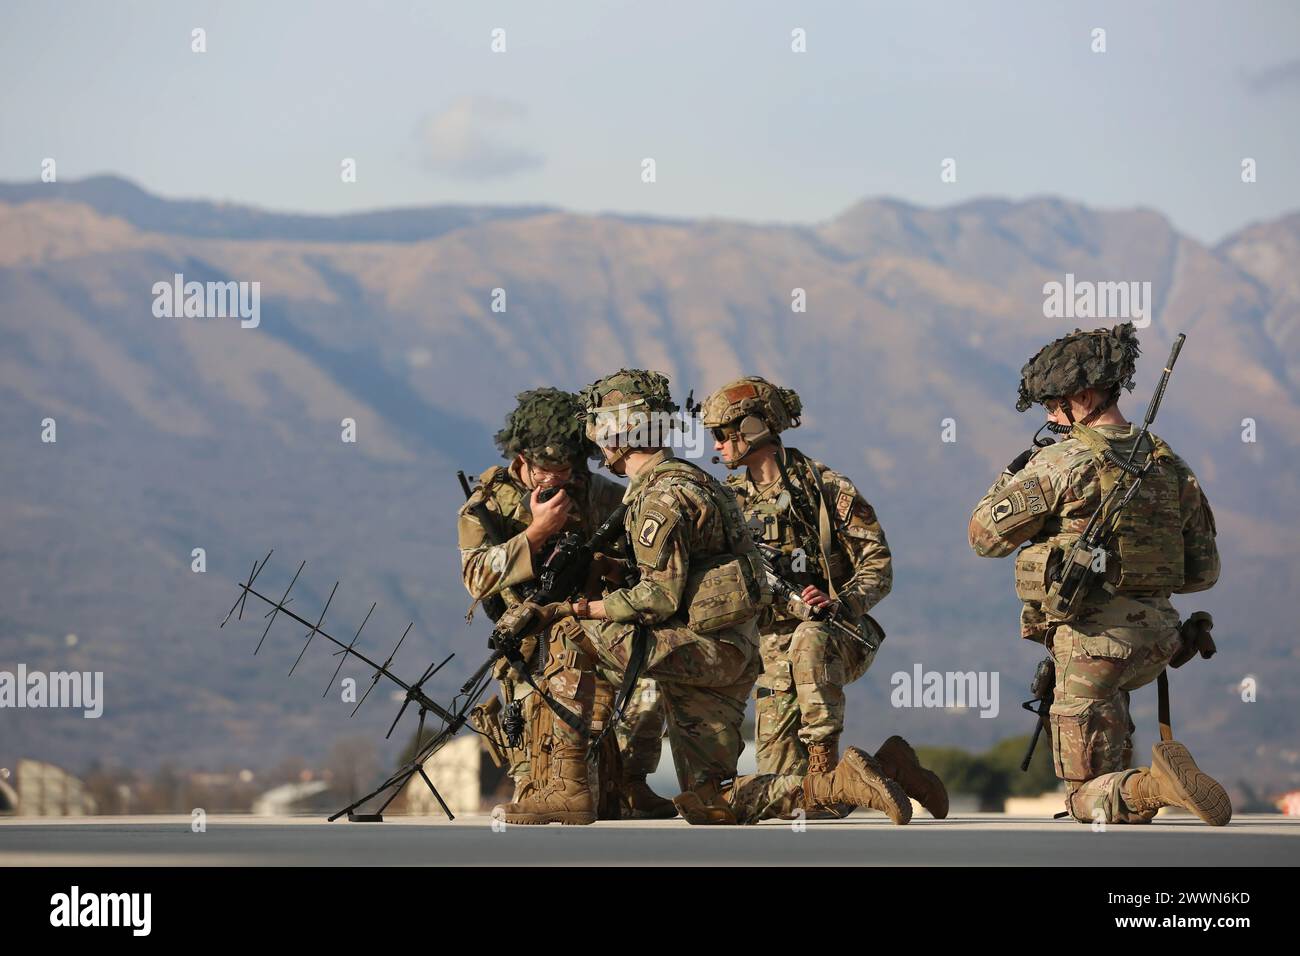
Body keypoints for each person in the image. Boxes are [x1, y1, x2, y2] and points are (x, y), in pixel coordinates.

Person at [493, 370, 912, 826]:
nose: (597, 444)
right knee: (709, 802)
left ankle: (567, 791)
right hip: (735, 650)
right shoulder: (697, 485)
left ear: (621, 431)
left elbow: (657, 598)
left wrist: (572, 607)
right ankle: (844, 781)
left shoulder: (664, 498)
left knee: (569, 634)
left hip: (714, 650)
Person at [968, 323, 1230, 826]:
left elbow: (983, 538)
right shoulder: (1168, 460)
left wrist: (1010, 473)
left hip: (1092, 648)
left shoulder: (1062, 461)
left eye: (1053, 404)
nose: (1049, 416)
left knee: (1084, 795)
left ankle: (1156, 782)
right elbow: (1203, 572)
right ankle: (1147, 791)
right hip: (1161, 642)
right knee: (1122, 813)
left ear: (1083, 396)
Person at [699, 376, 947, 819]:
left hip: (837, 635)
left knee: (809, 639)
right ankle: (890, 765)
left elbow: (879, 564)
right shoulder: (727, 502)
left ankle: (824, 764)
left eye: (722, 434)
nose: (716, 446)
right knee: (797, 804)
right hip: (772, 656)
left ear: (752, 428)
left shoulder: (824, 488)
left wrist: (842, 602)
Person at [458, 386, 674, 818]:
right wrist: (535, 534)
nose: (556, 478)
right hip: (528, 644)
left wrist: (605, 568)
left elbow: (641, 567)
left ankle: (630, 781)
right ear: (520, 457)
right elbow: (476, 579)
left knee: (649, 687)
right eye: (545, 468)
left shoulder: (603, 496)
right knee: (538, 774)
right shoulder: (487, 506)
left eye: (568, 467)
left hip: (595, 625)